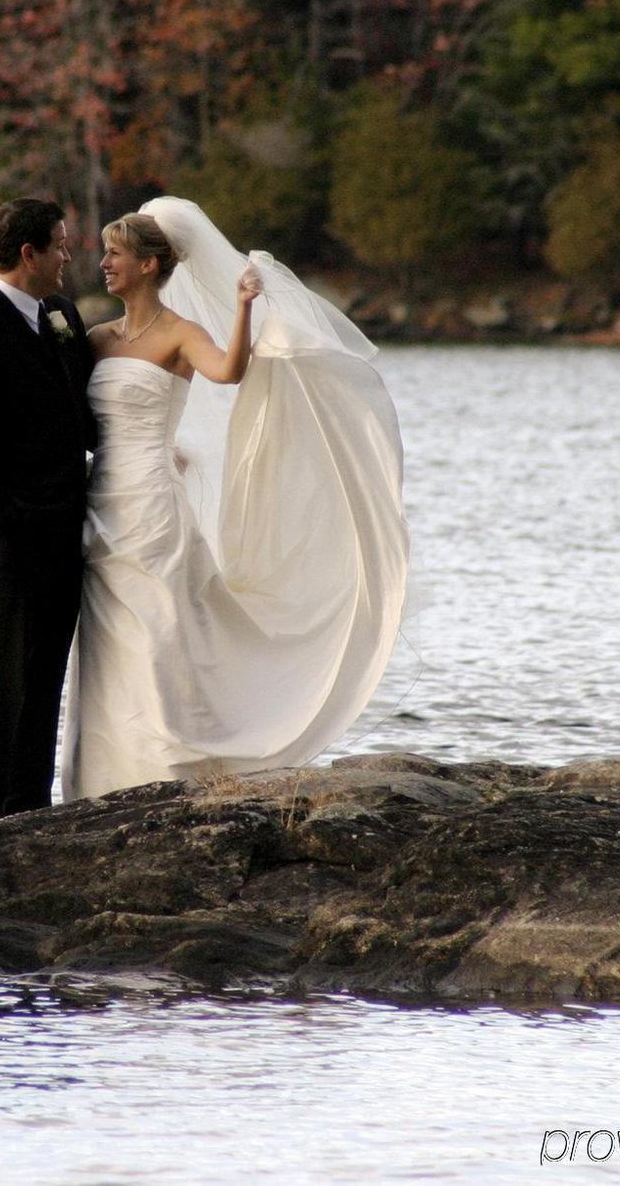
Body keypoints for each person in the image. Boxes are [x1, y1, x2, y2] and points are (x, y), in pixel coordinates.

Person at [61, 198, 409, 800]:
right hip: (102, 502)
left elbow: (228, 371)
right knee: (107, 638)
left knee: (162, 627)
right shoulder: (94, 339)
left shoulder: (179, 334)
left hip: (152, 506)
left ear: (148, 265)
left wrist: (244, 309)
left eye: (115, 253)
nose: (104, 264)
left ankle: (172, 763)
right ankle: (103, 777)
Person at [0, 197, 97, 822]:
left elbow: (80, 412)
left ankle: (26, 810)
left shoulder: (60, 314)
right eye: (60, 244)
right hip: (7, 535)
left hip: (65, 529)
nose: (68, 256)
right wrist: (0, 531)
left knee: (44, 673)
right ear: (28, 253)